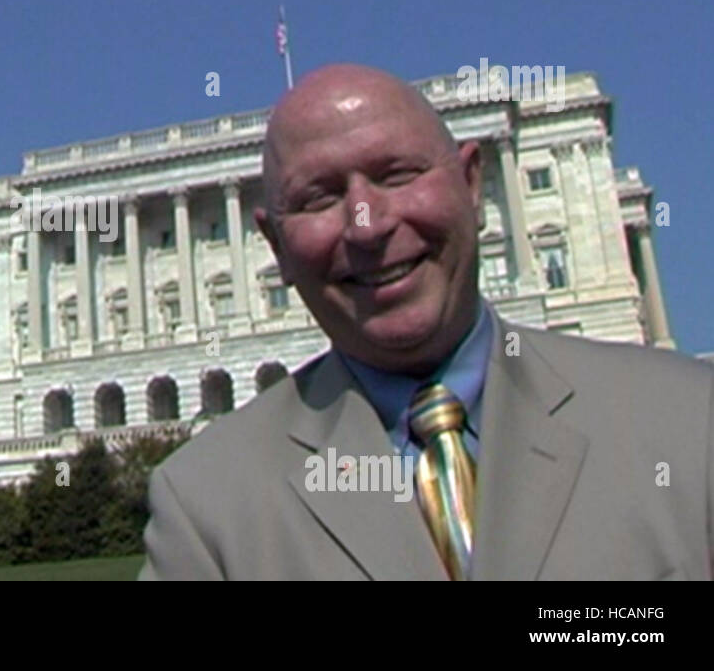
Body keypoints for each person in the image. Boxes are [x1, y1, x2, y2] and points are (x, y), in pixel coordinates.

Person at [138, 64, 713, 580]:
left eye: (396, 175)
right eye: (319, 198)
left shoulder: (688, 420)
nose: (367, 226)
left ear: (471, 185)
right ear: (276, 247)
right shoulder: (205, 508)